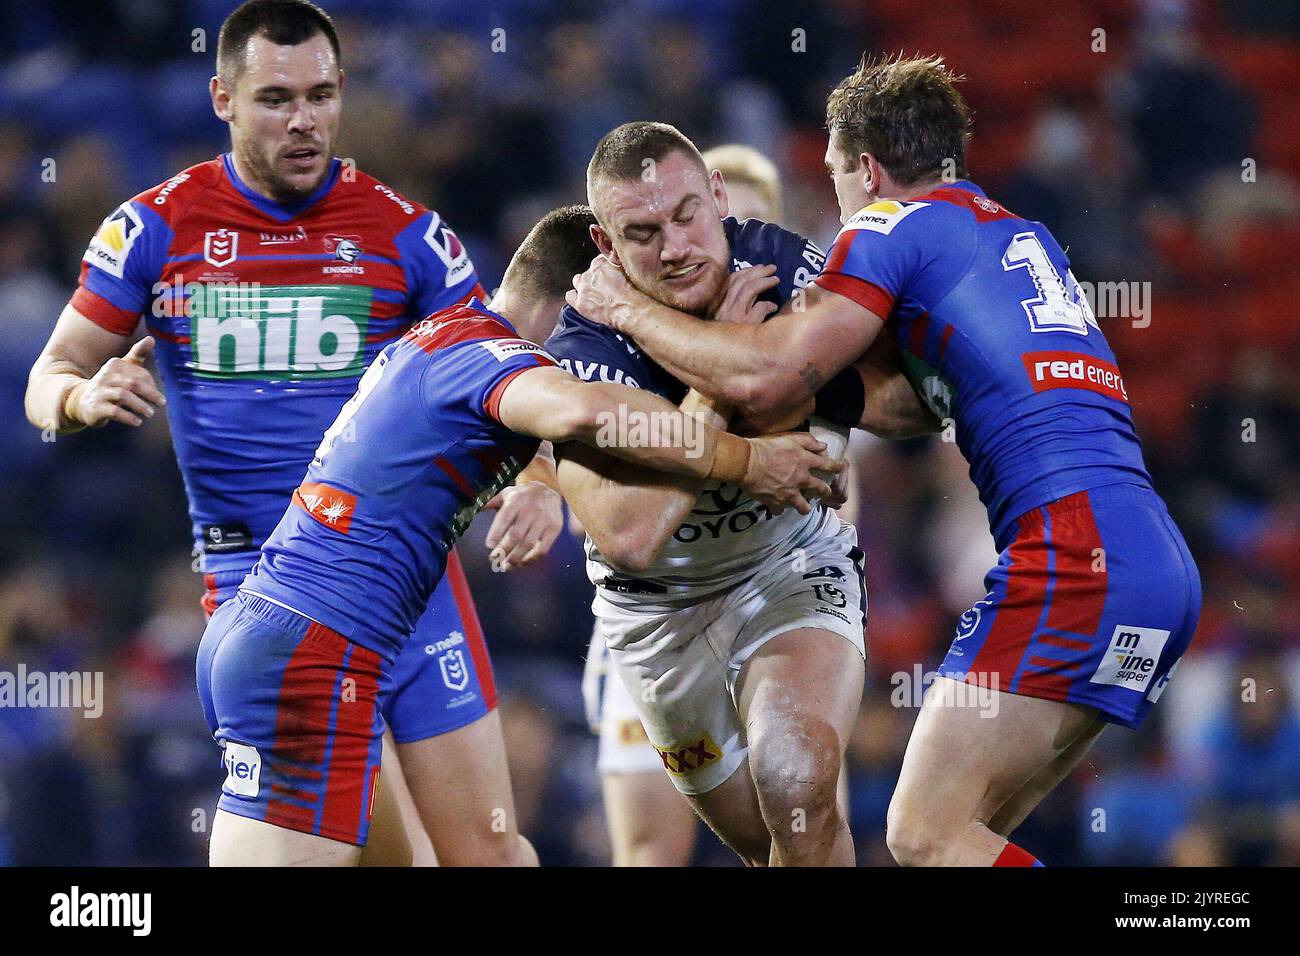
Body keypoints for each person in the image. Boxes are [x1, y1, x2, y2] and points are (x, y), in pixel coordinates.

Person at [567, 55, 1201, 867]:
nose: (836, 206)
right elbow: (908, 398)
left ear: (864, 169)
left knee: (921, 834)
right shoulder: (1015, 232)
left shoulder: (888, 225)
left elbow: (767, 373)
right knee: (972, 836)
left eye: (834, 176)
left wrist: (627, 308)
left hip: (1074, 554)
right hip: (1155, 560)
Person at [23, 0, 560, 866]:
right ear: (222, 98)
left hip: (409, 587)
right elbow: (46, 379)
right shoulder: (155, 228)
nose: (302, 120)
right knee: (360, 856)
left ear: (343, 90)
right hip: (264, 596)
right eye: (275, 99)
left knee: (488, 853)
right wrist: (83, 399)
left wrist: (535, 482)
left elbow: (507, 381)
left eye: (319, 95)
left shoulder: (407, 237)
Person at [197, 204, 841, 865]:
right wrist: (744, 454)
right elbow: (590, 409)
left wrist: (537, 483)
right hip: (311, 652)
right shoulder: (496, 359)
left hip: (289, 632)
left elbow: (479, 436)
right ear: (579, 300)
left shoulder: (444, 339)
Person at [552, 122, 933, 866]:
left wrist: (807, 388)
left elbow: (913, 403)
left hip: (785, 568)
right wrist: (727, 383)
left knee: (796, 788)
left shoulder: (787, 267)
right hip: (656, 617)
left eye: (688, 214)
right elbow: (631, 531)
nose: (675, 248)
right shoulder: (585, 346)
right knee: (765, 845)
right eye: (642, 232)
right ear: (605, 247)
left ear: (718, 195)